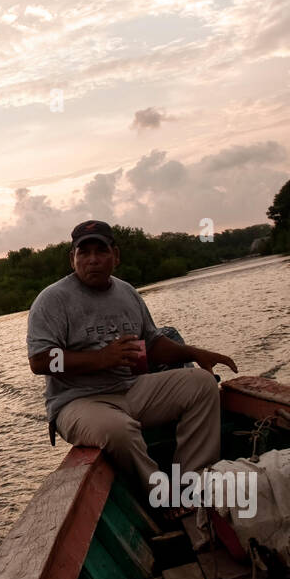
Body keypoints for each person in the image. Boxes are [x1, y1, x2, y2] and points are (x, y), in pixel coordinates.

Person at [26, 220, 237, 515]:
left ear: (116, 255)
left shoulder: (127, 293)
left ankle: (194, 485)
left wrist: (195, 352)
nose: (93, 260)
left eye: (101, 251)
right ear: (71, 258)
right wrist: (101, 359)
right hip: (78, 402)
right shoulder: (53, 300)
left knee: (202, 385)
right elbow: (40, 361)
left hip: (130, 389)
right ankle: (161, 498)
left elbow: (151, 343)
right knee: (119, 430)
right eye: (83, 253)